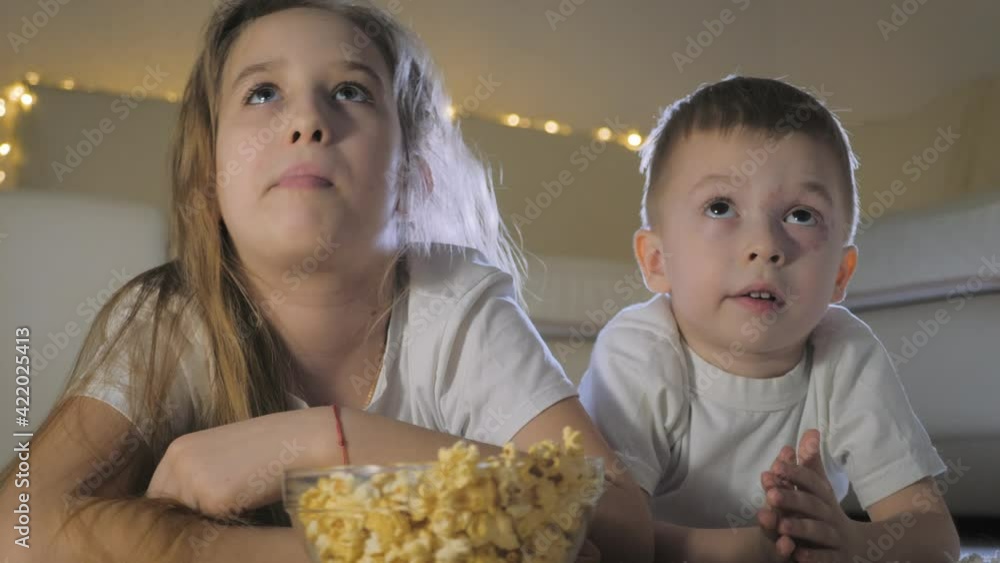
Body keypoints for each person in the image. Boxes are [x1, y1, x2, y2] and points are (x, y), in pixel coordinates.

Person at [0, 2, 653, 561]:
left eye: (350, 91)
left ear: (410, 176)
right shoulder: (169, 320)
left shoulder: (456, 304)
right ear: (209, 178)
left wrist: (325, 440)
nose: (307, 121)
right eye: (263, 92)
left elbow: (622, 521)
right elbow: (19, 528)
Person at [579, 75, 959, 562]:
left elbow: (937, 540)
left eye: (801, 215)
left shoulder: (845, 354)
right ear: (657, 261)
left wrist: (853, 543)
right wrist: (746, 550)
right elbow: (603, 532)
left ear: (840, 275)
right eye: (720, 207)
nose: (765, 245)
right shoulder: (638, 351)